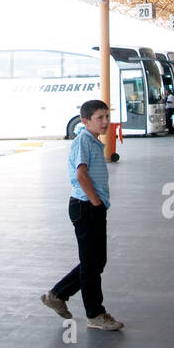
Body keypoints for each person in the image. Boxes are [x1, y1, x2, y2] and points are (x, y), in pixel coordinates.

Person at [40, 100, 123, 331]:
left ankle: (57, 295)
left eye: (107, 116)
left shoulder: (93, 142)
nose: (105, 121)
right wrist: (96, 203)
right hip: (85, 206)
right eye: (100, 118)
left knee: (96, 261)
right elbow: (81, 175)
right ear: (85, 121)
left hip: (91, 206)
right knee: (91, 264)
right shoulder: (83, 142)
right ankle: (95, 314)